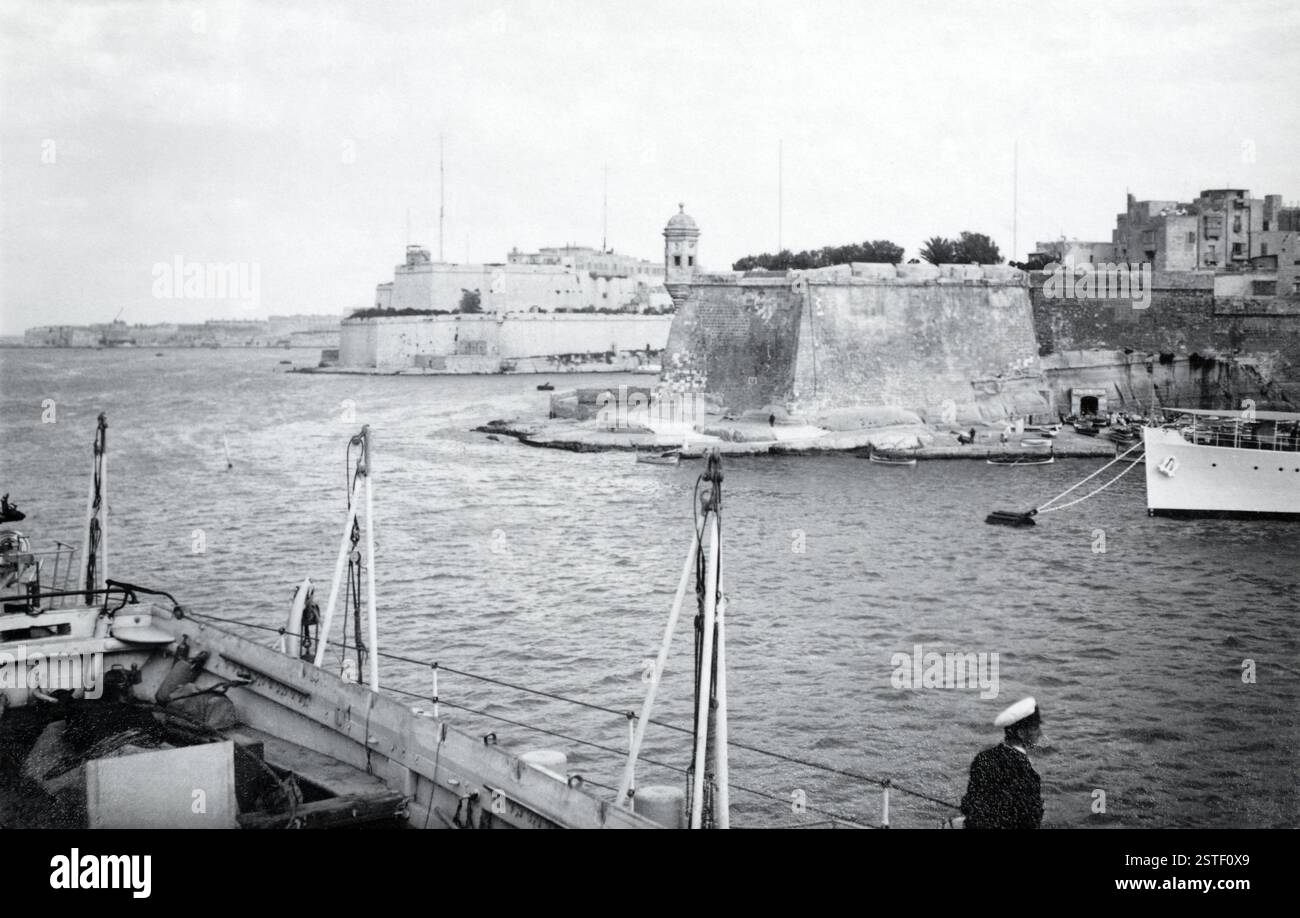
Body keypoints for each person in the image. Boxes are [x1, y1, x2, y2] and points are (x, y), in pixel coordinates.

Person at [959, 697, 1044, 829]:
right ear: (1021, 733)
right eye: (1035, 728)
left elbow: (968, 804)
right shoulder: (1028, 776)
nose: (1040, 733)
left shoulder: (983, 758)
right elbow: (1031, 823)